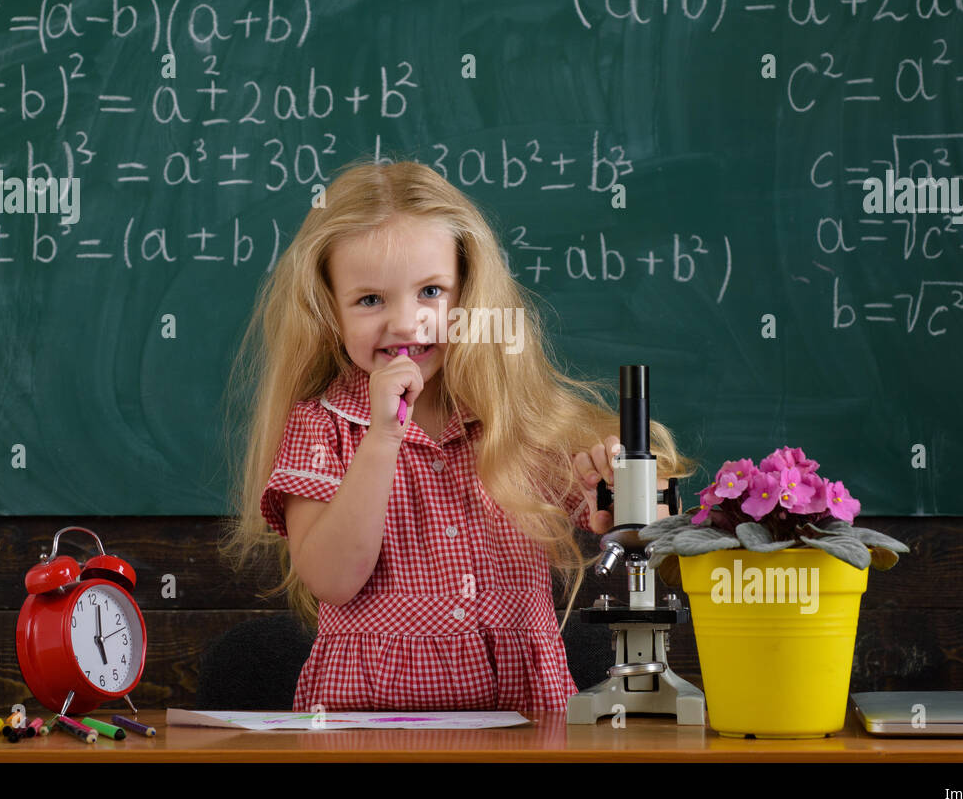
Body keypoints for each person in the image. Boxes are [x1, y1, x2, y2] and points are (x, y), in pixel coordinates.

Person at [221, 158, 694, 712]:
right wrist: (381, 438)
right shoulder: (322, 423)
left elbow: (644, 527)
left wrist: (617, 492)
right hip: (369, 721)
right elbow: (331, 578)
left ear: (469, 294)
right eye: (370, 300)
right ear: (330, 311)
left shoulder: (516, 417)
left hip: (524, 720)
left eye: (430, 292)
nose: (405, 323)